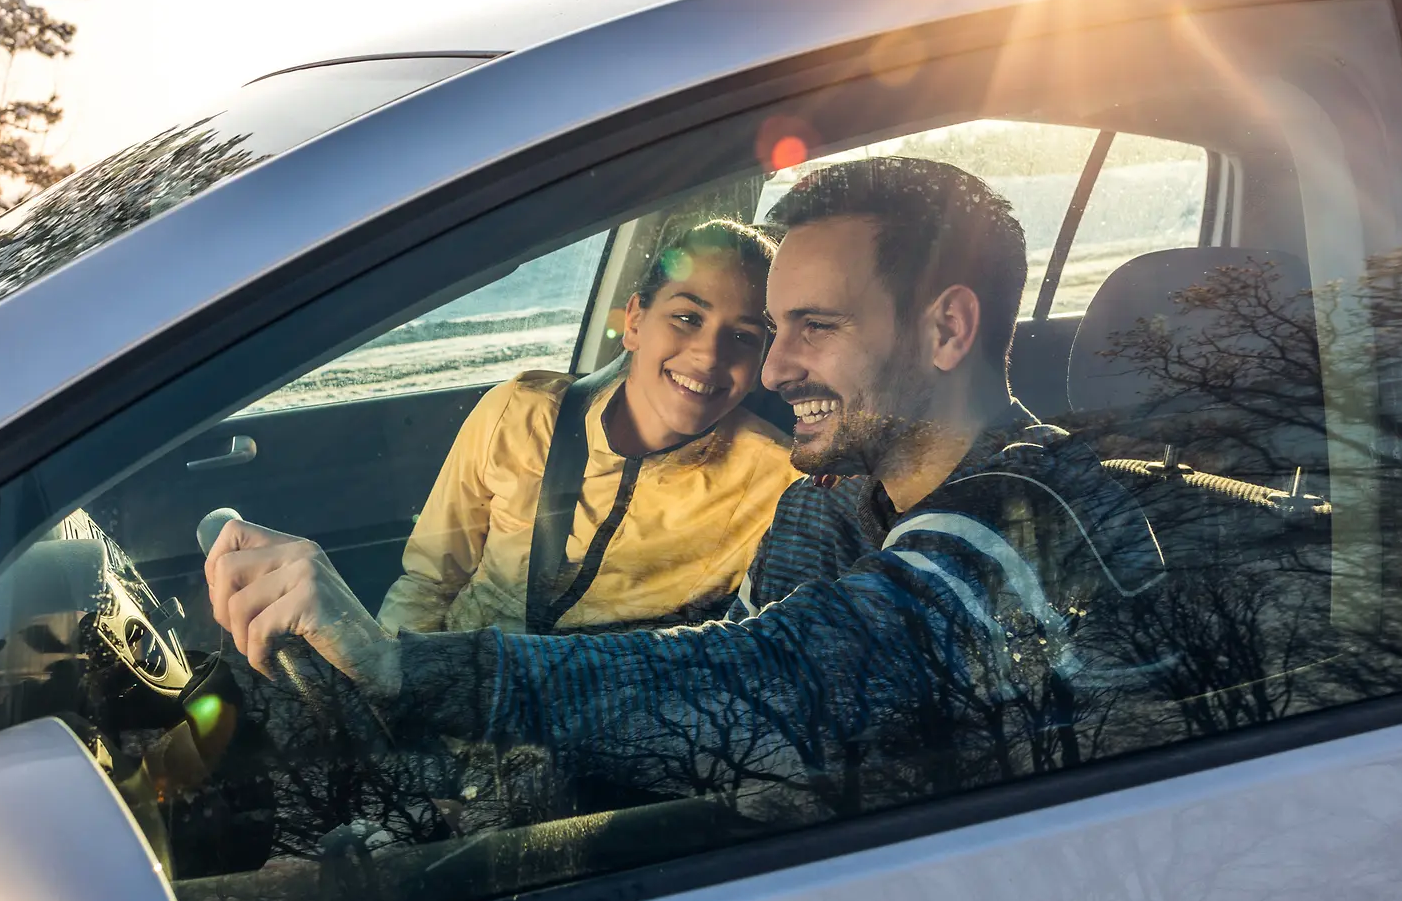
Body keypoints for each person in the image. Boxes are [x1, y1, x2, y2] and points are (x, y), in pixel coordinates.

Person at [201, 156, 1167, 819]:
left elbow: (765, 684)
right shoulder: (827, 502)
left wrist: (410, 671)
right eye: (774, 328)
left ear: (947, 331)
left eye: (812, 328)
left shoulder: (1030, 521)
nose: (774, 370)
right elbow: (713, 672)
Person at [378, 220, 798, 636]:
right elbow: (429, 583)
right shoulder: (520, 413)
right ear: (634, 322)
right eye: (687, 317)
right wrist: (395, 683)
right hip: (458, 678)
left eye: (743, 337)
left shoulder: (779, 482)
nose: (709, 356)